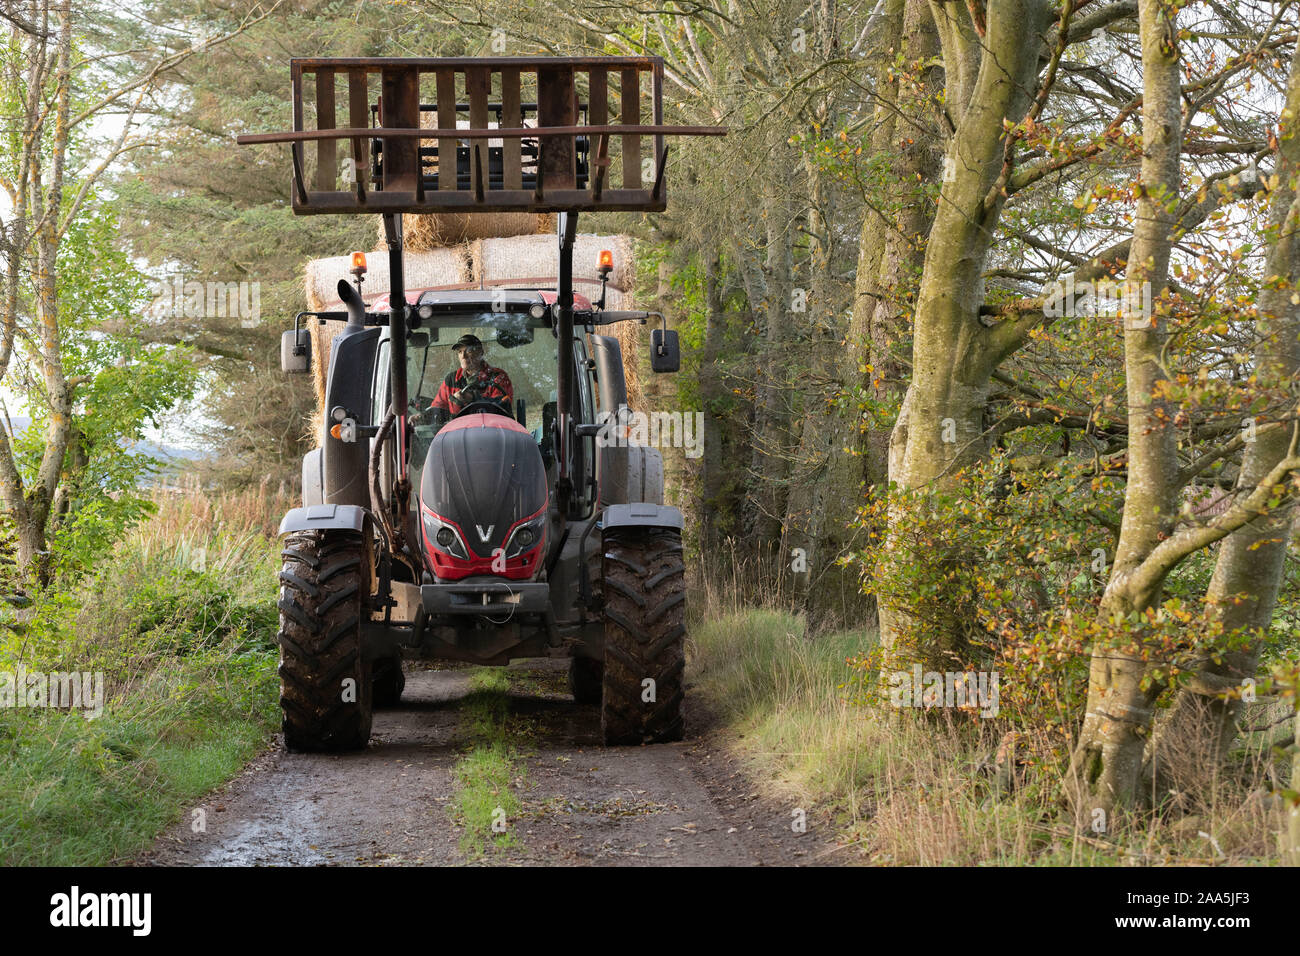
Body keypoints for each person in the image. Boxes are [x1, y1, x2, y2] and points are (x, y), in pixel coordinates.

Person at [426, 334, 514, 423]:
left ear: (481, 352)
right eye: (460, 351)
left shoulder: (498, 377)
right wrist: (422, 417)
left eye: (468, 351)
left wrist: (474, 399)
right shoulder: (451, 380)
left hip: (491, 431)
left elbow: (502, 408)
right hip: (457, 432)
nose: (463, 356)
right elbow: (437, 408)